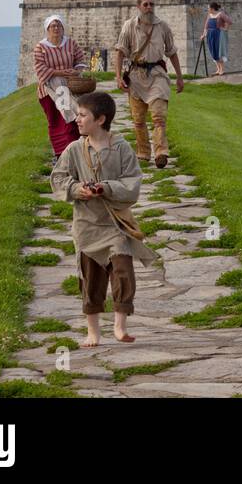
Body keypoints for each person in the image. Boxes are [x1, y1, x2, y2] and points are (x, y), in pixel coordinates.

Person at [51, 91, 158, 347]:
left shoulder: (121, 148)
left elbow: (132, 182)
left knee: (123, 268)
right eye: (77, 114)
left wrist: (106, 188)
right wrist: (79, 190)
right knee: (91, 278)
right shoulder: (74, 149)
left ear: (100, 119)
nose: (77, 119)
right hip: (87, 225)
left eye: (82, 115)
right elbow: (58, 179)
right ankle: (93, 332)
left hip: (114, 223)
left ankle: (120, 326)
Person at [113, 0, 185, 168]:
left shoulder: (163, 27)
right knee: (138, 119)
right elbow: (120, 52)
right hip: (136, 76)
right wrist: (117, 77)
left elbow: (172, 52)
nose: (149, 7)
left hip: (157, 75)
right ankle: (143, 152)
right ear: (138, 6)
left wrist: (179, 77)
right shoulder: (129, 26)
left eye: (152, 4)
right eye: (145, 4)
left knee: (159, 117)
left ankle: (161, 152)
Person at [32, 14, 88, 157]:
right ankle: (60, 154)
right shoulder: (41, 47)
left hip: (71, 87)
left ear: (62, 28)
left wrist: (75, 71)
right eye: (53, 26)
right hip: (50, 91)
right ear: (47, 29)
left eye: (58, 25)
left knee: (72, 122)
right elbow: (40, 69)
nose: (56, 28)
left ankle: (77, 151)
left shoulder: (70, 43)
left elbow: (80, 59)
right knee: (56, 122)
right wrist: (60, 72)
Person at [199, 2, 233, 77]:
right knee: (213, 51)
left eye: (208, 8)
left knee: (219, 51)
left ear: (212, 8)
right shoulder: (209, 16)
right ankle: (218, 69)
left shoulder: (221, 14)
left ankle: (222, 69)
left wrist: (225, 29)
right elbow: (206, 27)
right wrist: (203, 35)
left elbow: (229, 21)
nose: (208, 9)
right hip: (210, 35)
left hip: (218, 35)